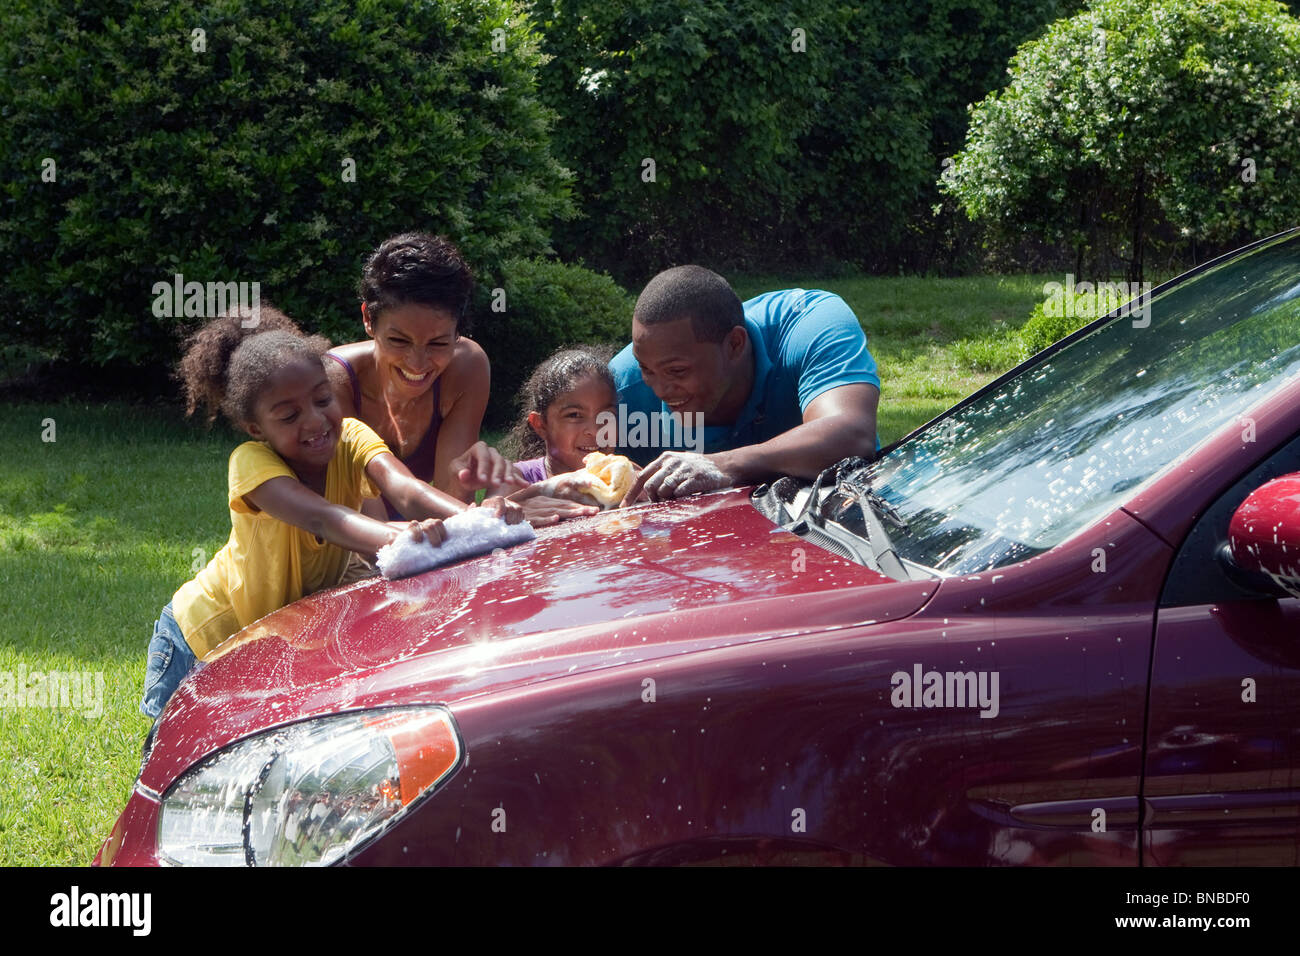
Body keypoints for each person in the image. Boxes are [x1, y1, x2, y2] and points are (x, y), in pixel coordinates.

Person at [140, 306, 525, 720]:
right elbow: (322, 518)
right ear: (256, 428)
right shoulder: (251, 463)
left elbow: (407, 489)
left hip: (267, 645)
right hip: (199, 639)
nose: (316, 420)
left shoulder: (352, 436)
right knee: (176, 764)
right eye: (289, 415)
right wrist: (398, 537)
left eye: (323, 399)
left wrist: (480, 522)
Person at [610, 265, 881, 503]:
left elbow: (852, 435)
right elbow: (576, 467)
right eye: (645, 369)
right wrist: (569, 486)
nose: (659, 390)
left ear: (735, 344)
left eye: (677, 371)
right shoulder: (619, 387)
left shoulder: (810, 325)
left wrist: (722, 466)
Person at [326, 232, 525, 518]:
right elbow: (367, 523)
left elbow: (449, 508)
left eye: (438, 343)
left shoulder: (466, 368)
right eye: (399, 341)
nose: (417, 363)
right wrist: (479, 522)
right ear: (368, 320)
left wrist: (478, 490)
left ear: (458, 333)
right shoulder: (334, 381)